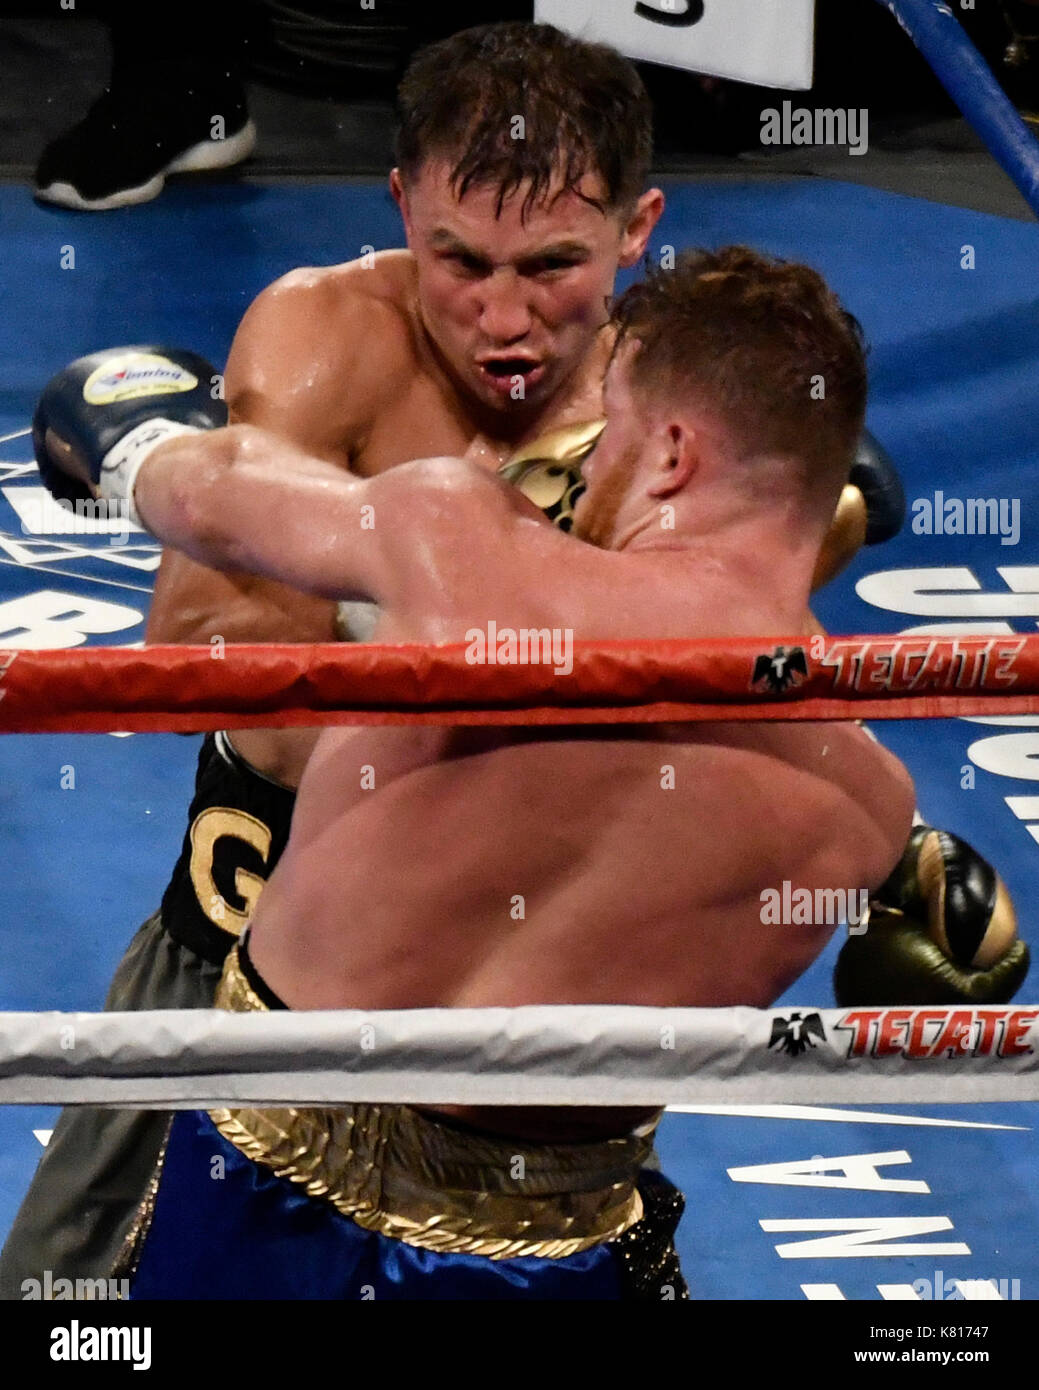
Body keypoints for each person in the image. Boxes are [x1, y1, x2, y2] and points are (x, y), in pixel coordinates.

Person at [0, 21, 1018, 1300]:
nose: (502, 317)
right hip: (250, 934)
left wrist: (466, 612)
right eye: (457, 261)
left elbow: (720, 679)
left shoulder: (660, 395)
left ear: (637, 230)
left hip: (477, 1096)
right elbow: (209, 663)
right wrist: (469, 640)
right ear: (401, 211)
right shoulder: (329, 344)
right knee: (57, 1302)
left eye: (551, 267)